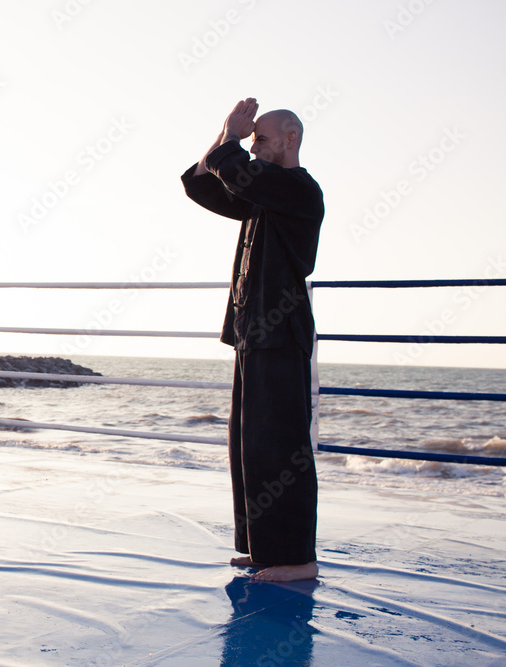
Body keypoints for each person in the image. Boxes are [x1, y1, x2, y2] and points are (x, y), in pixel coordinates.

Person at [181, 99, 324, 582]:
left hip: (281, 334)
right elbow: (202, 184)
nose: (252, 145)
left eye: (260, 138)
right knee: (250, 446)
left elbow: (237, 173)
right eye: (251, 139)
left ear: (291, 139)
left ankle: (297, 559)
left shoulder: (297, 189)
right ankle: (263, 548)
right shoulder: (264, 193)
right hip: (251, 333)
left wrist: (232, 143)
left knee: (283, 448)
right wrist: (224, 135)